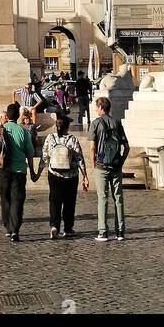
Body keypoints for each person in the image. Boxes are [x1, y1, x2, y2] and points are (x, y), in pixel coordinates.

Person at [0, 102, 37, 243]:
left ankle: (7, 226)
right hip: (19, 170)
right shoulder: (23, 131)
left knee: (5, 198)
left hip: (3, 170)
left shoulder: (0, 130)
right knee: (17, 200)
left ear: (7, 115)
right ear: (18, 116)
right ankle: (15, 230)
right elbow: (30, 153)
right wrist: (32, 171)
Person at [42, 111, 88, 239]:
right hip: (71, 175)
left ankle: (54, 226)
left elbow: (44, 156)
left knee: (54, 201)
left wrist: (38, 172)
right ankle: (68, 228)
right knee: (69, 202)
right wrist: (85, 176)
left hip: (54, 174)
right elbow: (80, 159)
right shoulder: (72, 139)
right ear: (67, 127)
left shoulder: (50, 138)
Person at [90, 95, 128, 242]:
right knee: (118, 198)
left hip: (101, 165)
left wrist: (93, 164)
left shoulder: (95, 123)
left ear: (100, 108)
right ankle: (120, 231)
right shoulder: (117, 122)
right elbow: (127, 146)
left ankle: (103, 231)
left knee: (102, 198)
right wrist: (121, 161)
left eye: (96, 106)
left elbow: (92, 147)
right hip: (116, 165)